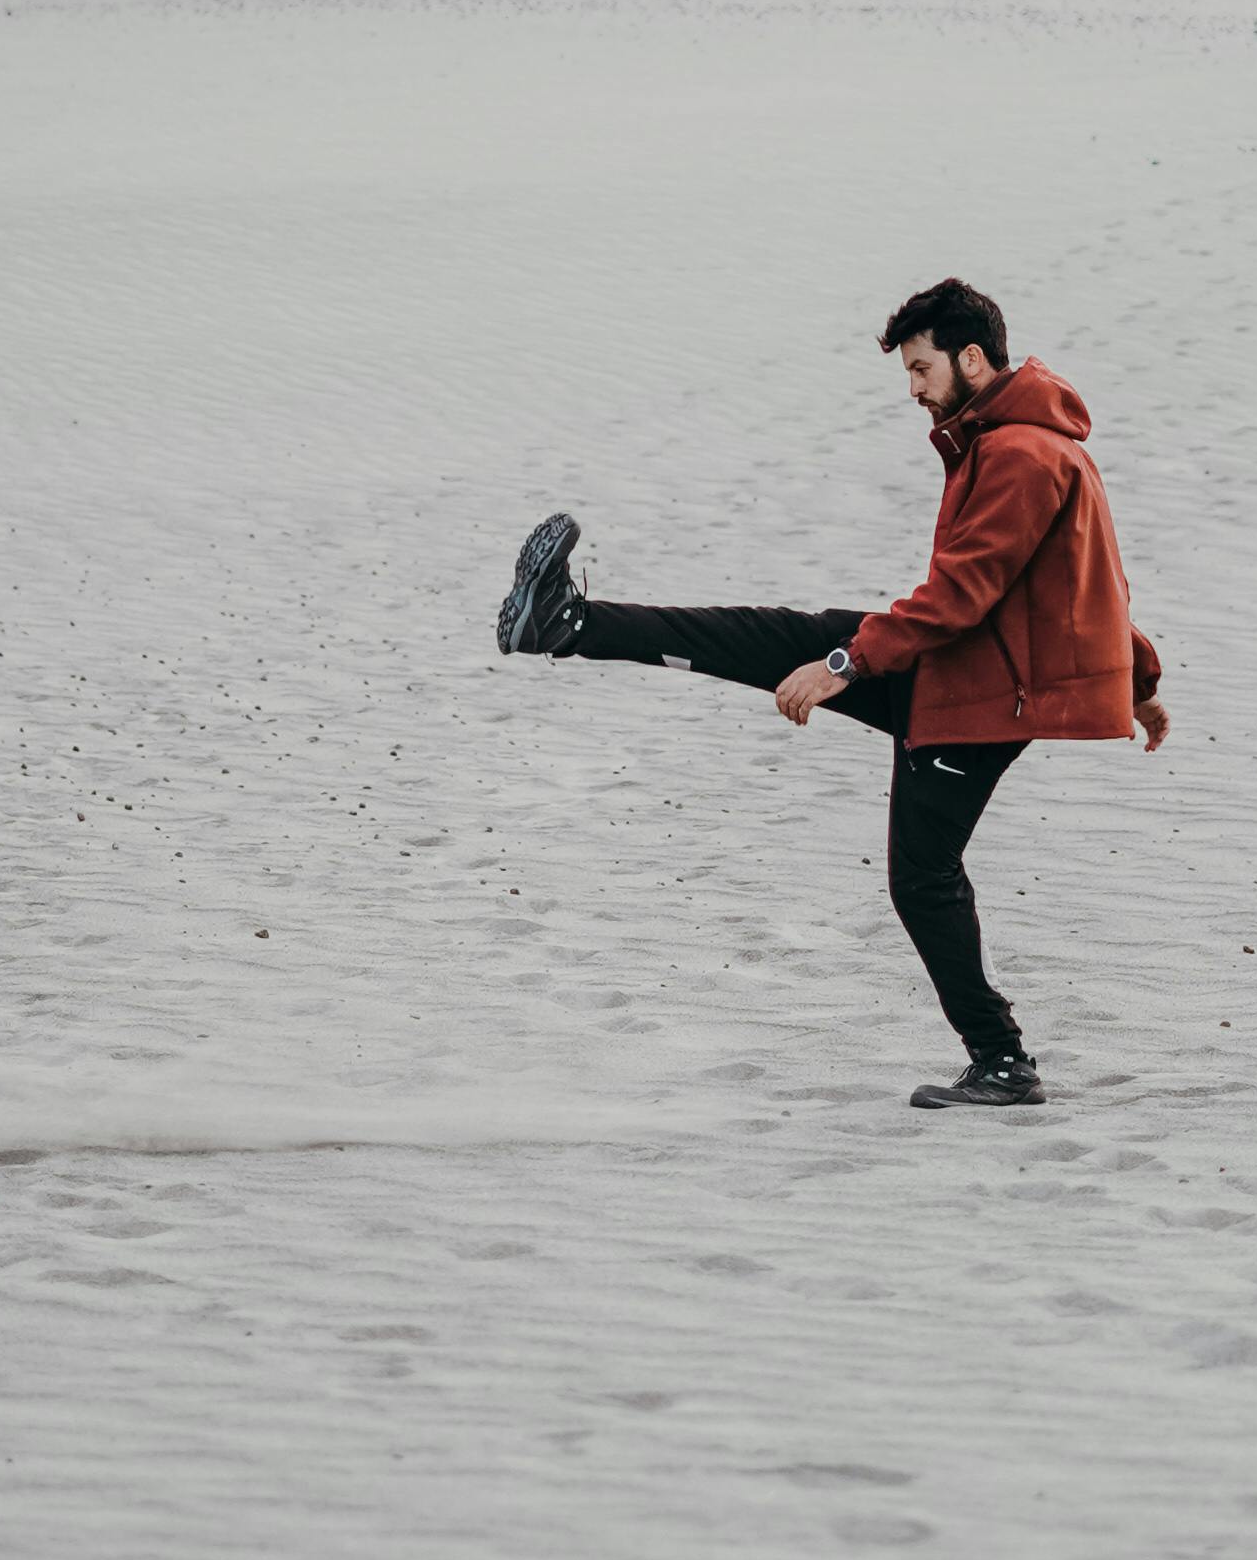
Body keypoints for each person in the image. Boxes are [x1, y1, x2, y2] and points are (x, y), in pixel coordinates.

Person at [496, 279, 1165, 1112]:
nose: (912, 389)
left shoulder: (1021, 455)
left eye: (920, 369)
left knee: (922, 878)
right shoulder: (1016, 444)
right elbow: (1085, 581)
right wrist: (1138, 682)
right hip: (957, 667)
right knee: (771, 637)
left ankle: (1002, 1061)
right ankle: (567, 623)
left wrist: (846, 663)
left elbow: (963, 592)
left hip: (981, 700)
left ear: (970, 358)